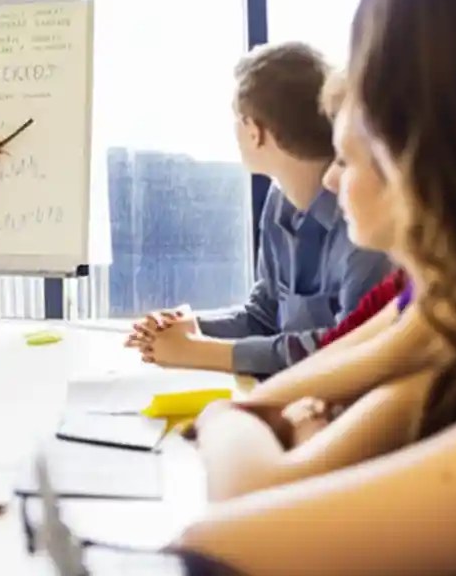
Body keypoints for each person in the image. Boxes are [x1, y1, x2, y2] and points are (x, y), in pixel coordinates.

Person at [61, 0, 456, 574]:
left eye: (354, 149)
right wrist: (279, 421)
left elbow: (230, 535)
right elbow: (308, 416)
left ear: (426, 159)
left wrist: (234, 422)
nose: (336, 177)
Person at [129, 43, 391, 377]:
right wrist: (192, 329)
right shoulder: (279, 201)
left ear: (255, 131)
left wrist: (200, 351)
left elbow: (346, 346)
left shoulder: (364, 223)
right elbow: (266, 316)